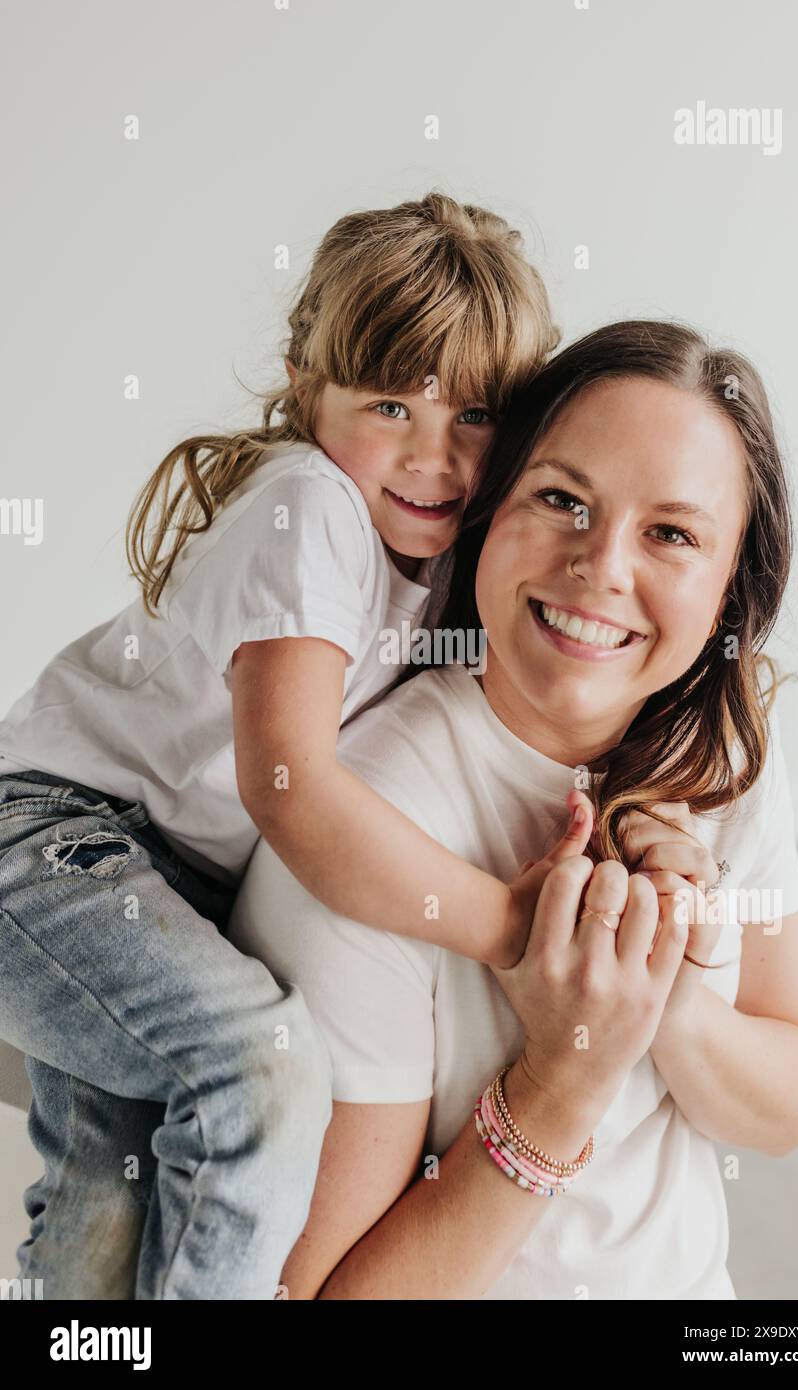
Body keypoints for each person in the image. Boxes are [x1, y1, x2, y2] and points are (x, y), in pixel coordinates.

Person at [0, 191, 560, 1299]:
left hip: (159, 886)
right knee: (264, 1068)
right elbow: (292, 790)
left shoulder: (447, 546)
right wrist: (504, 922)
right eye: (390, 403)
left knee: (106, 1206)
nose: (435, 457)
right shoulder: (312, 508)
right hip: (60, 844)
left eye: (476, 416)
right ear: (309, 388)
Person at [228, 320, 798, 1300]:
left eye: (672, 533)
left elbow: (789, 1102)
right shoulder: (373, 827)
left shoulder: (721, 755)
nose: (601, 565)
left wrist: (654, 988)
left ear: (731, 591)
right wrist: (565, 1077)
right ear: (487, 512)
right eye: (561, 498)